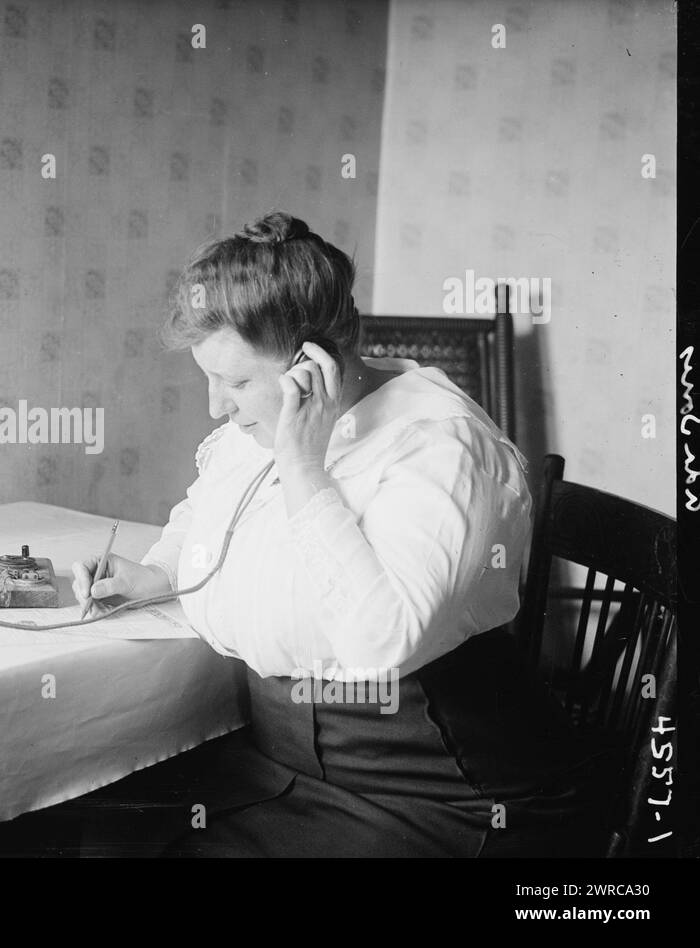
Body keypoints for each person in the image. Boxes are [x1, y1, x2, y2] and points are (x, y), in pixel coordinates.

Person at [70, 211, 611, 857]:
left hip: (441, 795)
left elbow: (380, 639)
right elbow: (206, 516)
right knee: (91, 829)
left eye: (237, 381)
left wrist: (304, 465)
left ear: (312, 364)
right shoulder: (258, 428)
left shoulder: (443, 448)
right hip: (284, 763)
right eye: (208, 377)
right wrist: (156, 574)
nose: (215, 405)